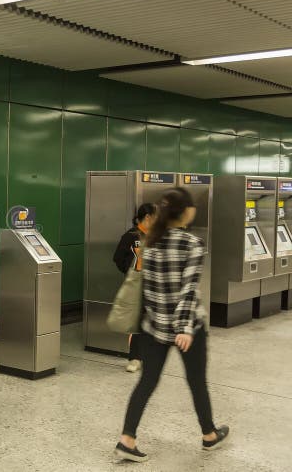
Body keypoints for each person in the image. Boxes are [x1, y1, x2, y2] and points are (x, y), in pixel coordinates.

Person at [115, 187, 229, 462]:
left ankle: (127, 439)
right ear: (187, 212)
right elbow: (188, 290)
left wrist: (157, 322)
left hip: (154, 326)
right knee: (196, 382)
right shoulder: (193, 244)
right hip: (186, 328)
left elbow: (149, 290)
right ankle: (209, 436)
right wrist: (183, 328)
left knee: (147, 381)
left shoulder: (150, 243)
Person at [112, 203, 156, 373]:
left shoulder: (156, 236)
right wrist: (130, 271)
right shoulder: (131, 236)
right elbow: (117, 258)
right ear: (147, 217)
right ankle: (135, 358)